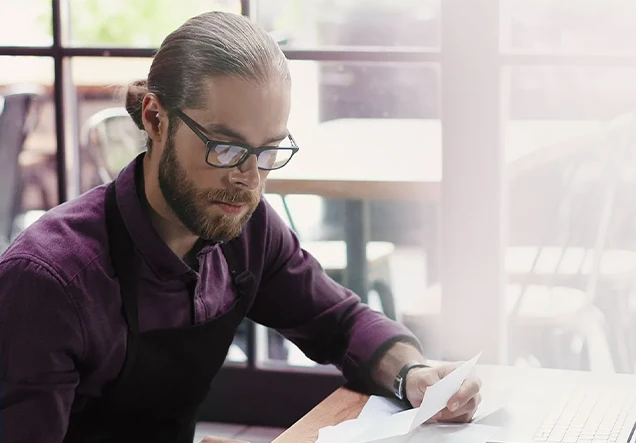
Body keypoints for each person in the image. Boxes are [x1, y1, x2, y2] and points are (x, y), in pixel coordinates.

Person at [0, 11, 481, 443]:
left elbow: (341, 322)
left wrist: (413, 375)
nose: (248, 179)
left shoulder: (245, 230)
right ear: (155, 119)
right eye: (226, 148)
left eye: (268, 151)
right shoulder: (48, 282)